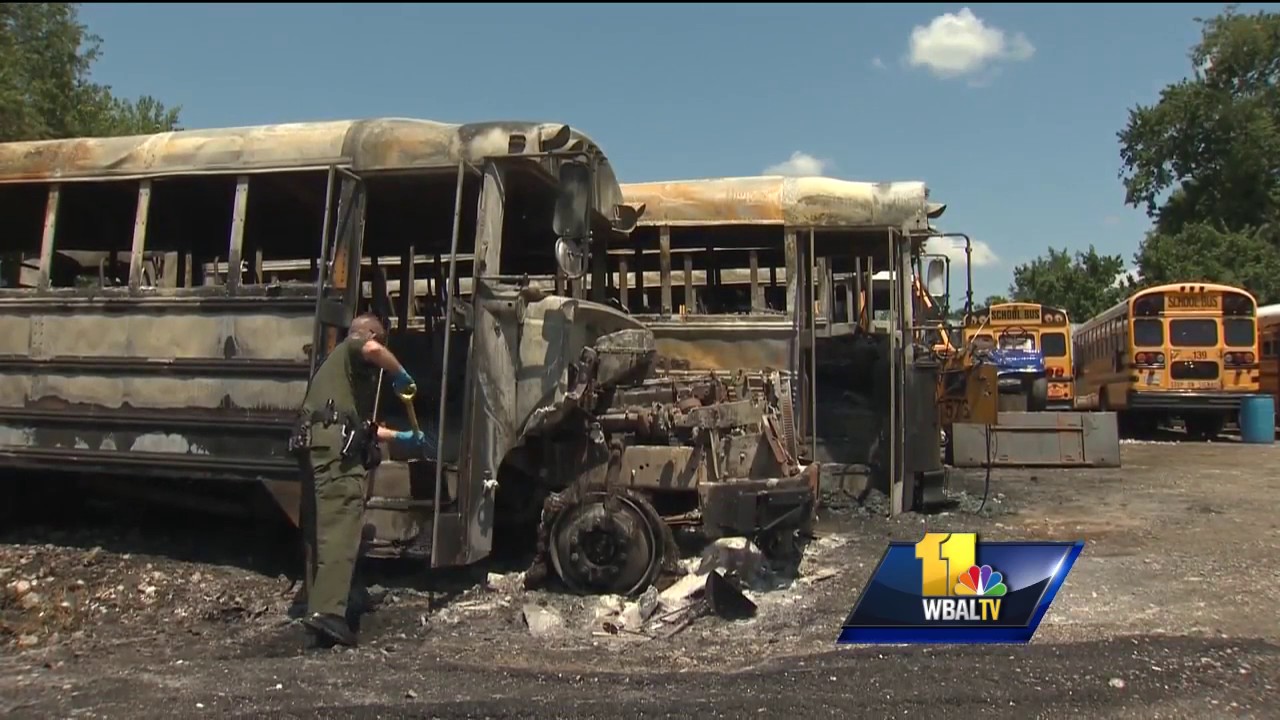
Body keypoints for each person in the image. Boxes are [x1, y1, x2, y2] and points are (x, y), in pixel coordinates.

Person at [288, 312, 427, 648]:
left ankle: (323, 599)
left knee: (322, 529)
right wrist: (401, 373)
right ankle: (328, 613)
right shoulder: (354, 348)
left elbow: (364, 428)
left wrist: (402, 437)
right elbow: (372, 350)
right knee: (341, 525)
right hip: (334, 453)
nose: (380, 348)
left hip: (318, 444)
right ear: (369, 335)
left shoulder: (344, 379)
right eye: (379, 339)